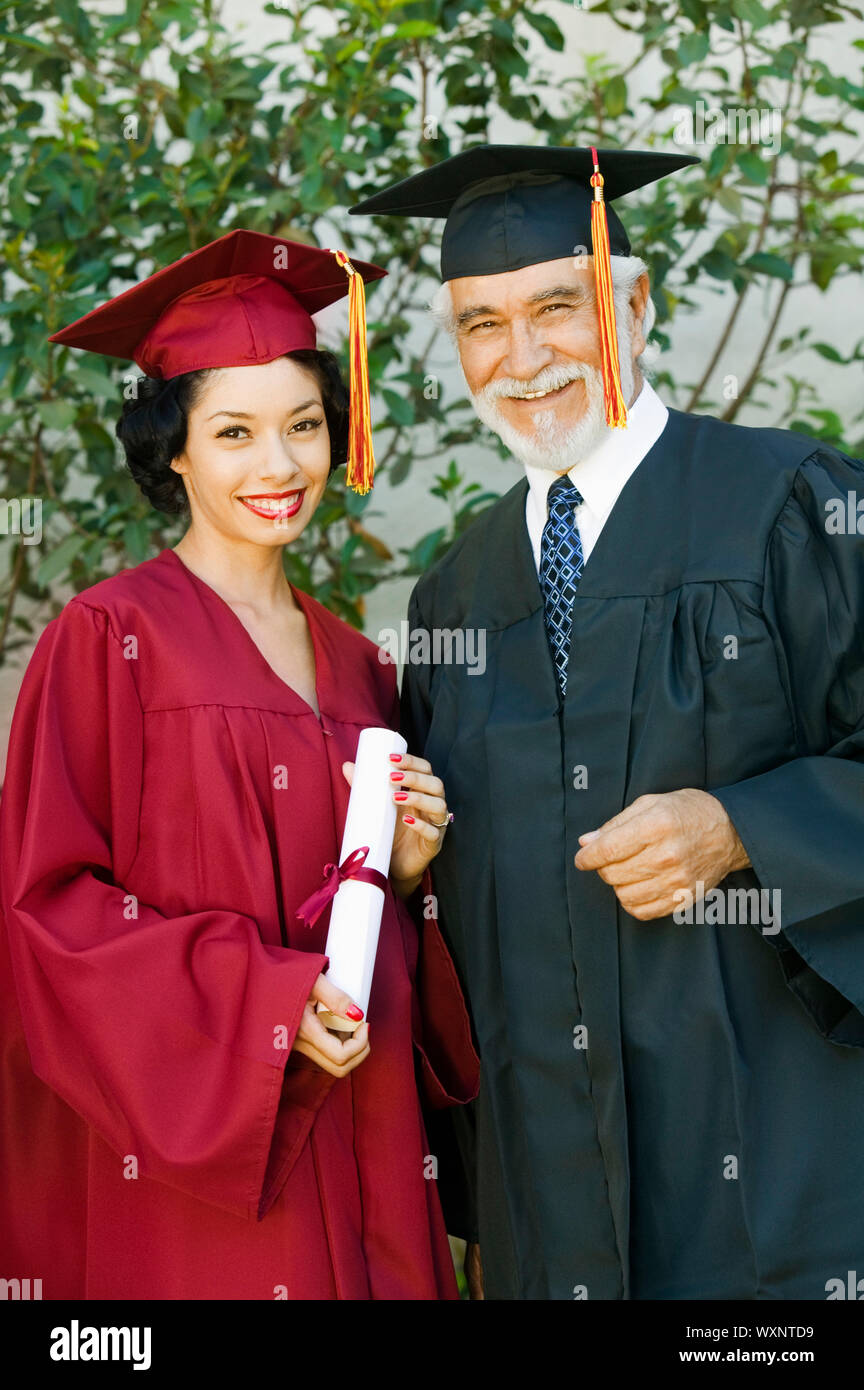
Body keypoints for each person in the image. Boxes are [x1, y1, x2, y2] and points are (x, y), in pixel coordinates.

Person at [350, 145, 864, 1300]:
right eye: (484, 325)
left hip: (775, 1168)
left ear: (633, 304)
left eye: (555, 309)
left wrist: (743, 826)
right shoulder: (456, 594)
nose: (523, 360)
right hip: (551, 1188)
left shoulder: (792, 507)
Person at [0, 229, 479, 1300]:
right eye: (234, 433)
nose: (280, 465)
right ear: (175, 450)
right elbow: (46, 911)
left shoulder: (359, 664)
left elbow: (373, 922)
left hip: (362, 1118)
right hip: (203, 1150)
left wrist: (407, 876)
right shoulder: (107, 637)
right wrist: (266, 1005)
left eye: (304, 425)